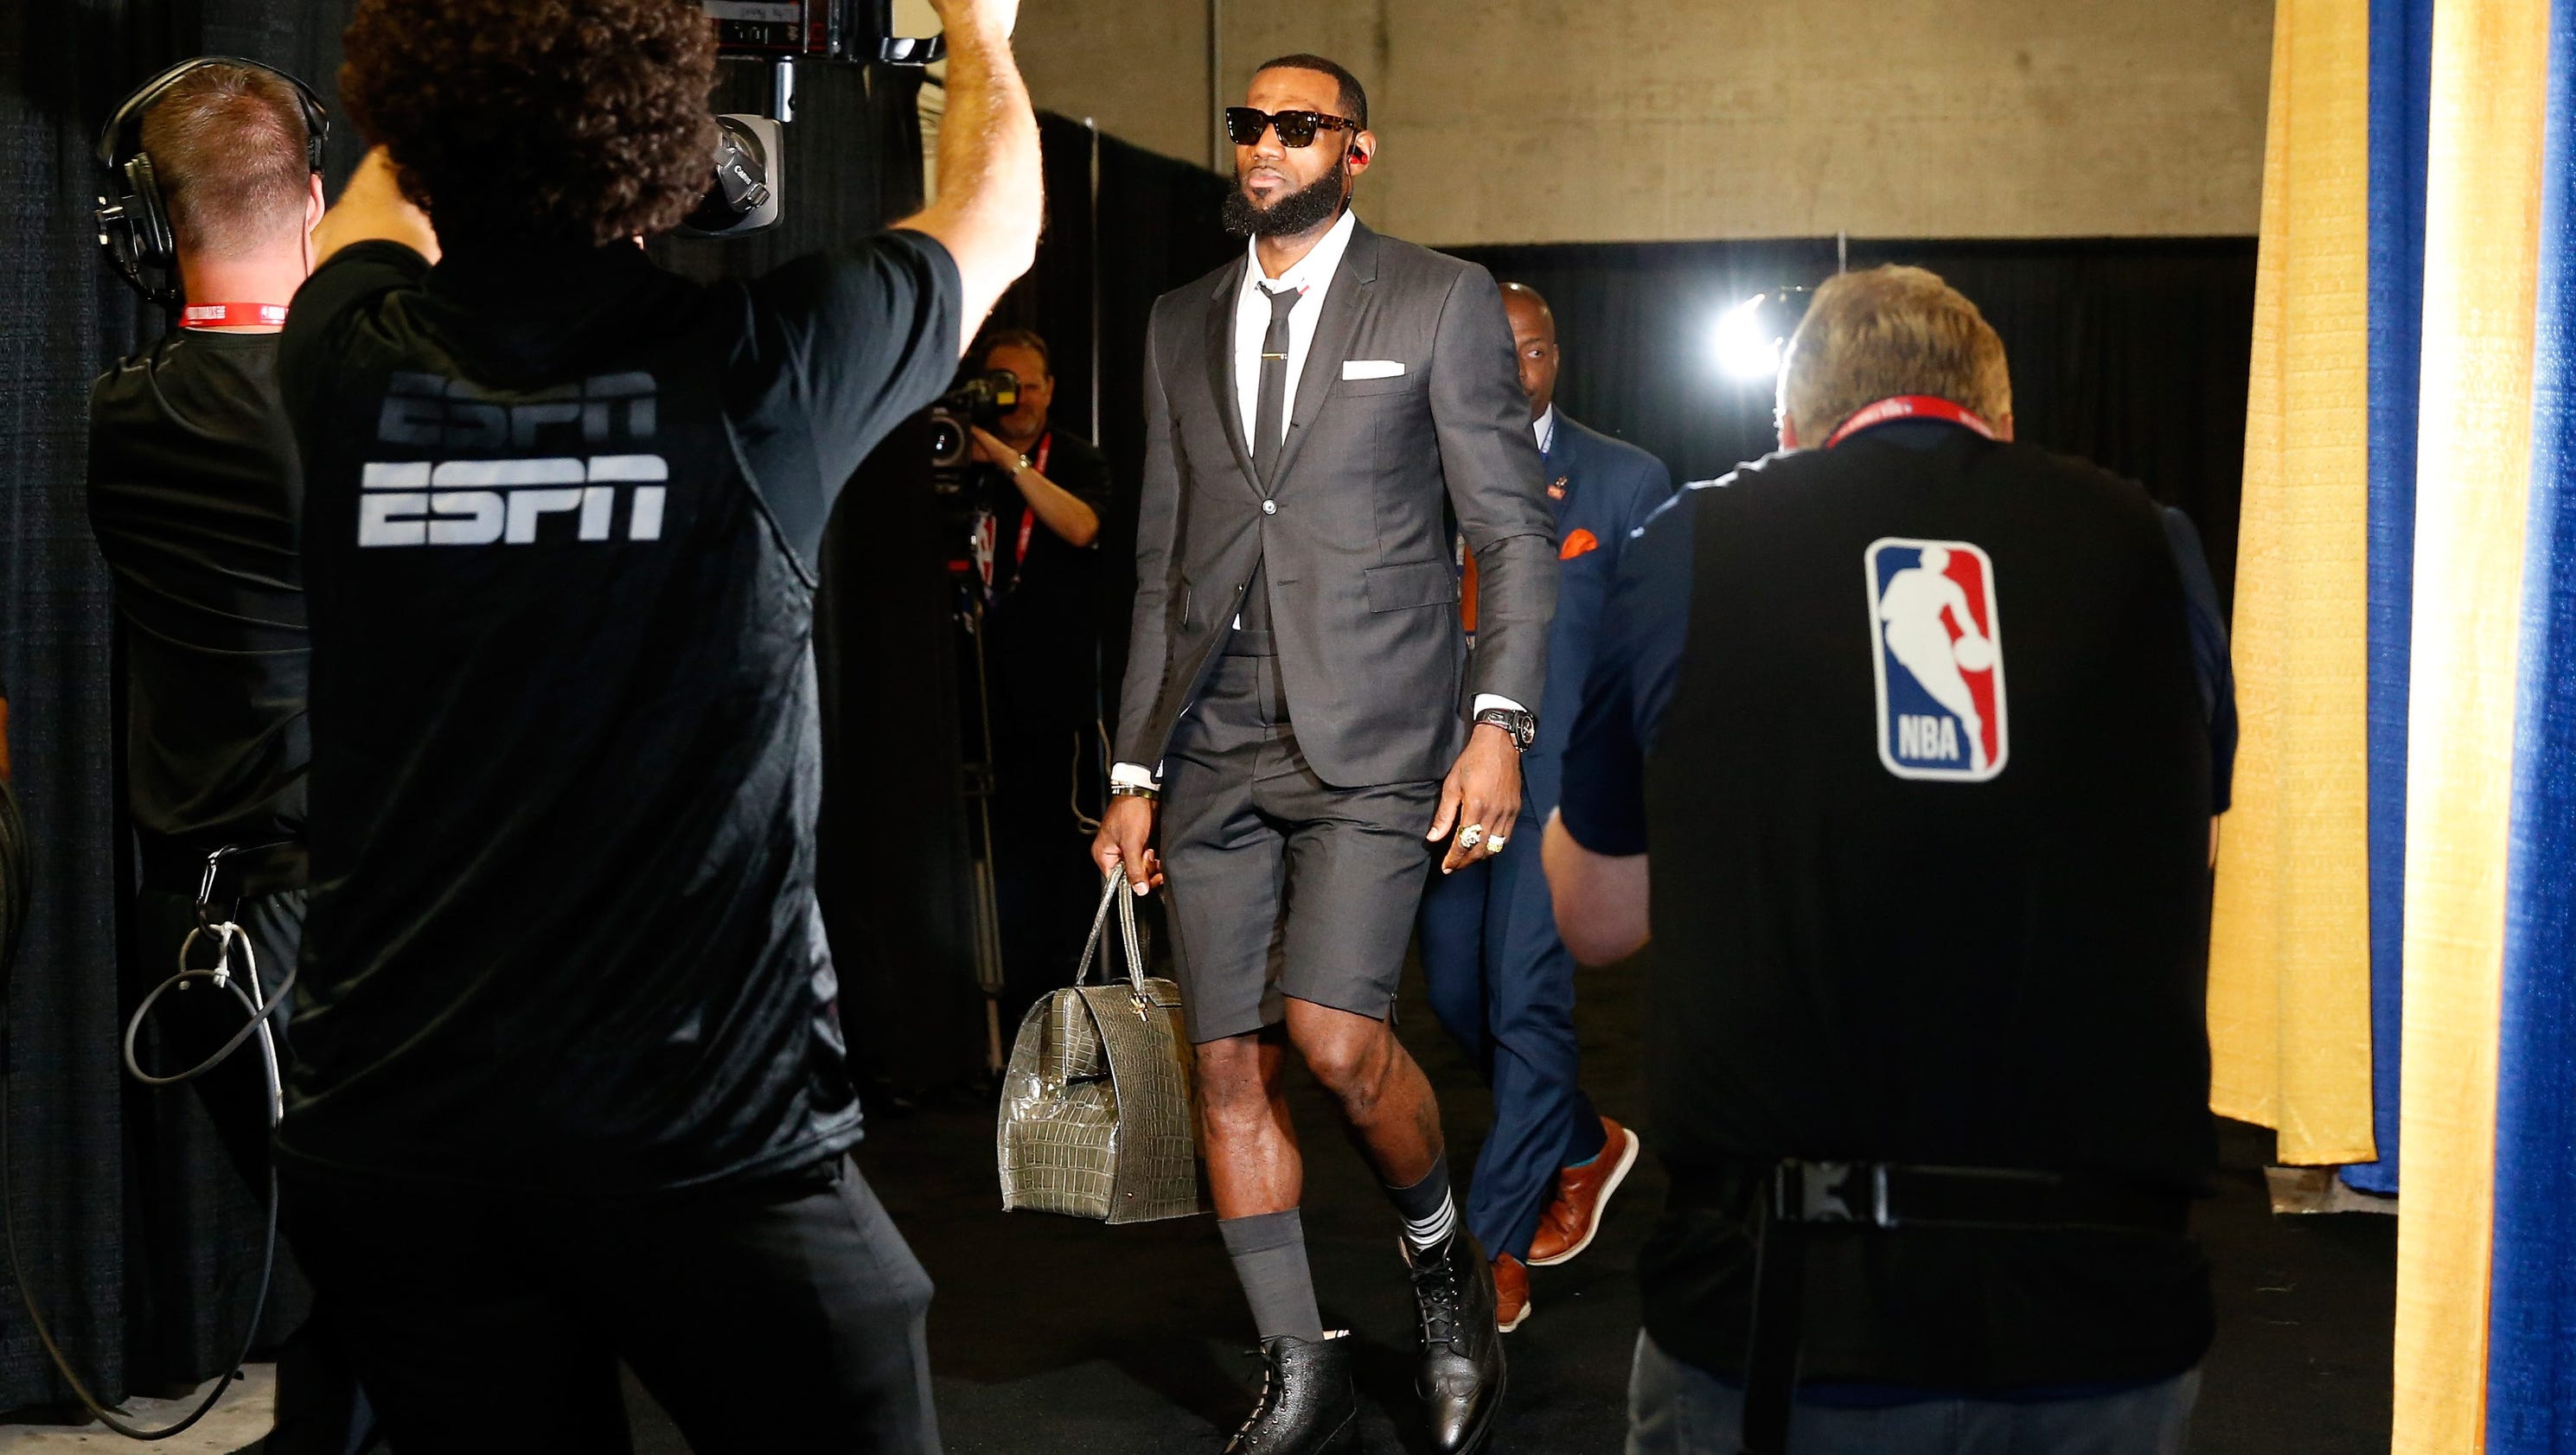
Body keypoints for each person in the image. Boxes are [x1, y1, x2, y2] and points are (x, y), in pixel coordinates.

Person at [266, 0, 1039, 1449]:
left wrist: (457, 67)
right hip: (707, 1141)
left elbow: (371, 208)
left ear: (412, 125)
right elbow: (991, 225)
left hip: (398, 1134)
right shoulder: (765, 364)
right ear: (666, 140)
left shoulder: (345, 359)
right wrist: (974, 27)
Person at [1544, 265, 2237, 1455]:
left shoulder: (1689, 544)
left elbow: (1596, 917)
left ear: (1789, 426)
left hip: (1787, 1300)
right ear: (2001, 420)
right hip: (2098, 1293)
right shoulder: (2150, 542)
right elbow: (2193, 843)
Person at [1091, 52, 1555, 1455]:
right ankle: (1301, 1367)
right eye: (1249, 124)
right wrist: (1131, 769)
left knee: (1336, 1037)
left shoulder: (1435, 297)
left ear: (1354, 149)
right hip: (1211, 734)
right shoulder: (1177, 319)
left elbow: (1508, 530)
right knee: (1227, 1067)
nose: (1264, 146)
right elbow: (1162, 560)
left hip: (1376, 730)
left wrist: (1497, 722)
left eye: (1296, 127)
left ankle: (1444, 1275)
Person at [83, 58, 379, 1455]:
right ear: (314, 197)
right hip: (348, 925)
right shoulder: (368, 402)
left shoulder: (126, 409)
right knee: (409, 1270)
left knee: (364, 1270)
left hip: (197, 934)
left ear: (147, 226)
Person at [1416, 281, 1665, 1331]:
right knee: (1455, 995)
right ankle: (1581, 1142)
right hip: (1448, 778)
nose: (1515, 368)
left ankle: (1494, 1246)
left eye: (1532, 350)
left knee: (1523, 999)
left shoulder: (1624, 478)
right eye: (1497, 349)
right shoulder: (1418, 471)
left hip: (1560, 780)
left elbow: (1653, 644)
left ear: (1556, 358)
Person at [962, 328, 1117, 1022]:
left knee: (1060, 856)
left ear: (1051, 389)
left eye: (1029, 384)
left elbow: (1081, 527)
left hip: (1058, 700)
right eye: (1003, 385)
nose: (1018, 398)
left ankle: (1073, 1010)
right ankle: (1000, 1015)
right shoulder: (960, 461)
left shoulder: (1076, 459)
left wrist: (1007, 459)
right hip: (978, 696)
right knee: (997, 860)